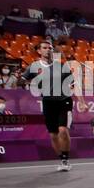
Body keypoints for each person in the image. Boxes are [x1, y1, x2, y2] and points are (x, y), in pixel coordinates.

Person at [25, 38, 77, 171]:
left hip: (64, 100)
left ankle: (66, 160)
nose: (48, 50)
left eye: (50, 48)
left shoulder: (61, 66)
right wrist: (29, 83)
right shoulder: (34, 67)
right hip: (48, 102)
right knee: (53, 134)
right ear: (38, 51)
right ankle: (61, 159)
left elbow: (74, 84)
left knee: (63, 130)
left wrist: (81, 101)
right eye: (44, 48)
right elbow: (22, 80)